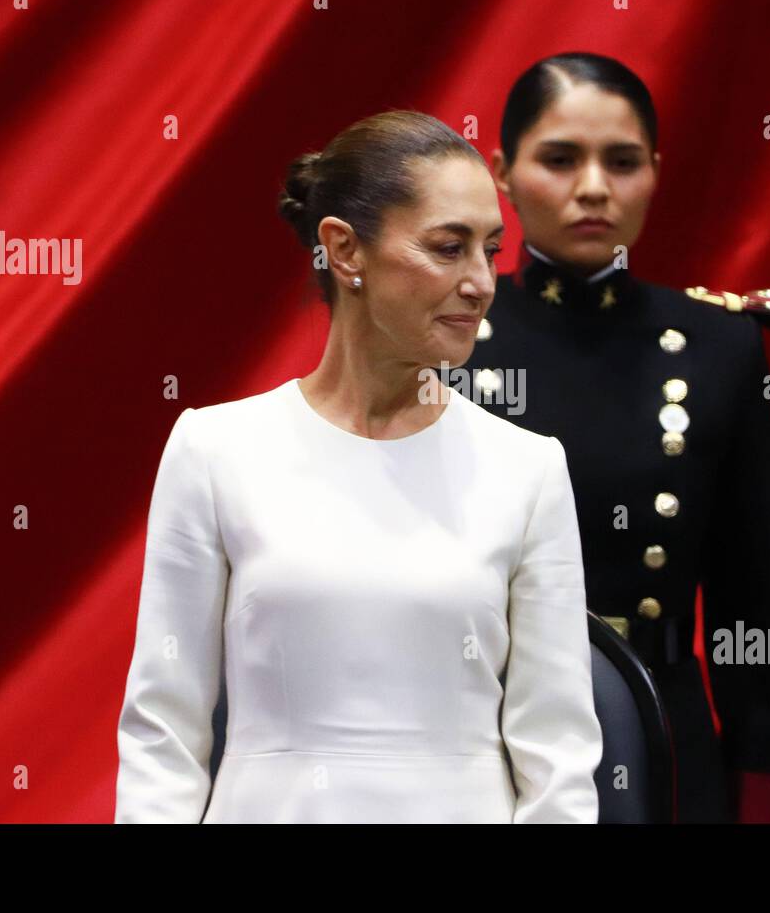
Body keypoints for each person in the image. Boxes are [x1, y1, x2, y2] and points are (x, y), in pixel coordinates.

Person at [114, 110, 603, 823]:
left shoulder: (528, 470)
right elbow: (163, 734)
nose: (480, 282)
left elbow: (557, 760)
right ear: (344, 251)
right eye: (448, 247)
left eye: (490, 250)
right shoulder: (214, 451)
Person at [464, 53, 770, 823]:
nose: (592, 188)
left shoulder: (719, 348)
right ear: (502, 173)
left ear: (654, 170)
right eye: (559, 158)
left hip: (660, 734)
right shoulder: (452, 343)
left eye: (621, 161)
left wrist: (758, 791)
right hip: (480, 734)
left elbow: (754, 609)